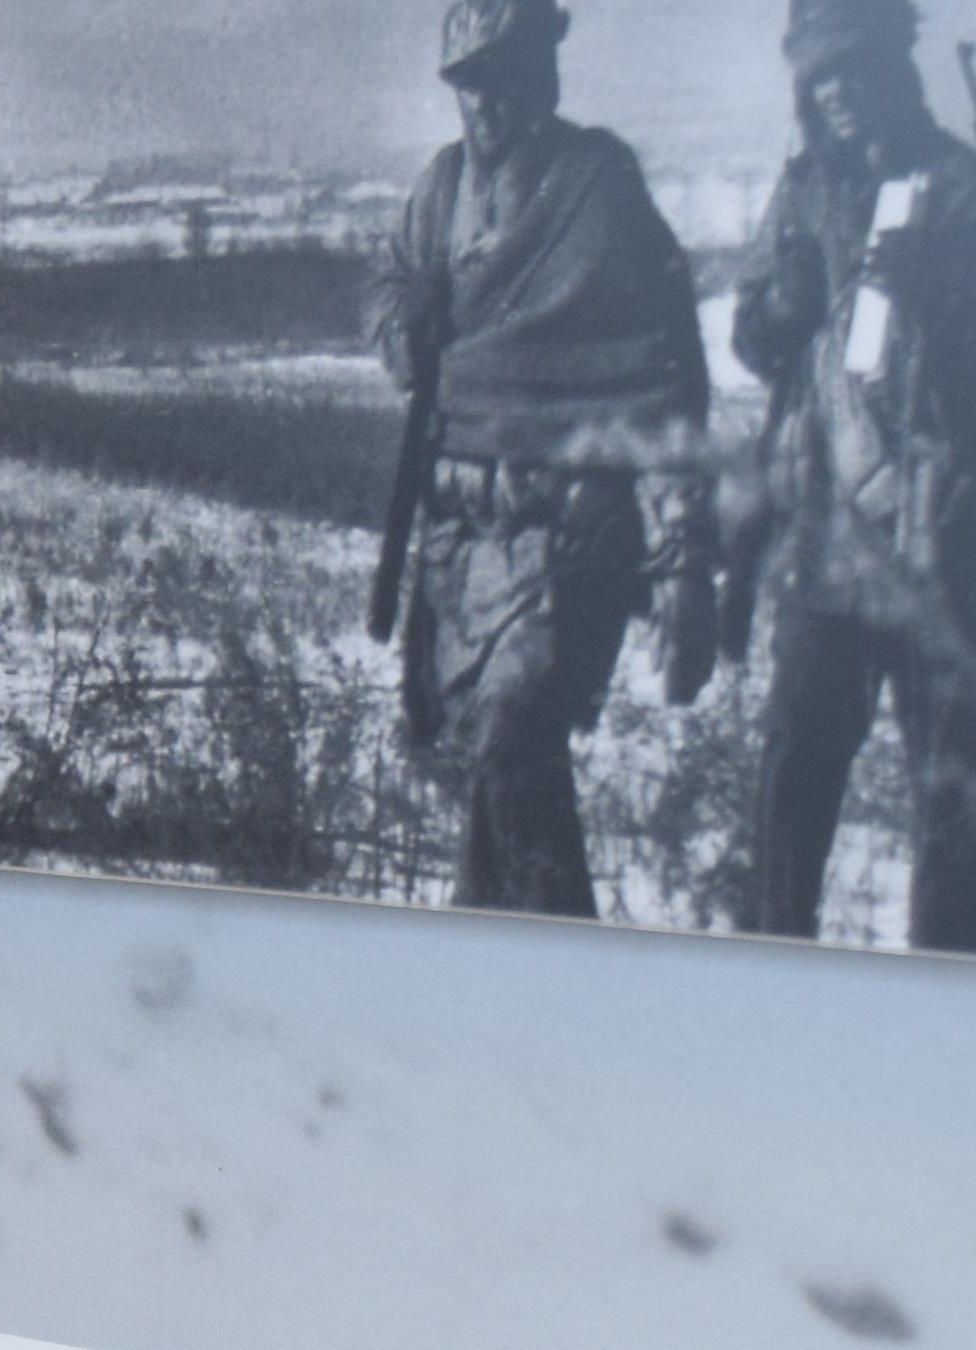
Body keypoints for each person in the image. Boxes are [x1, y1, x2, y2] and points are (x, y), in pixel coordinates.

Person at [727, 0, 976, 954]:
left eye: (855, 68)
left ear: (895, 68)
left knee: (949, 787)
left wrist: (948, 287)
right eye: (821, 76)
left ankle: (948, 988)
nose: (838, 92)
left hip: (940, 544)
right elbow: (752, 339)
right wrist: (781, 310)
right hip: (826, 546)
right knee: (792, 774)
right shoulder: (804, 190)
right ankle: (770, 967)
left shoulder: (962, 187)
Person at [365, 0, 721, 916]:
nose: (486, 102)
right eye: (469, 83)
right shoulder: (440, 191)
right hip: (459, 553)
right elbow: (389, 292)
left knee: (515, 738)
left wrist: (683, 563)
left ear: (543, 77)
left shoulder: (600, 187)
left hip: (569, 540)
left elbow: (664, 377)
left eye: (504, 77)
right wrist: (407, 321)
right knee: (495, 778)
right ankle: (503, 948)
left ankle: (559, 960)